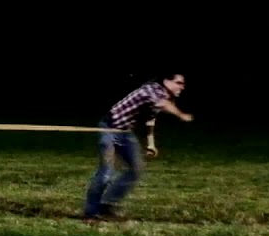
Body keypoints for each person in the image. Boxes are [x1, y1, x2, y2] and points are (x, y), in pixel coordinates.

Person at [82, 72, 193, 220]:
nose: (182, 87)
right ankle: (91, 211)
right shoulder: (152, 90)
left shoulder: (161, 97)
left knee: (137, 169)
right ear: (166, 81)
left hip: (125, 132)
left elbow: (150, 120)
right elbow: (163, 104)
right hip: (109, 129)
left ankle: (107, 205)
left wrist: (151, 144)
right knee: (106, 173)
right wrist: (181, 114)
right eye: (179, 83)